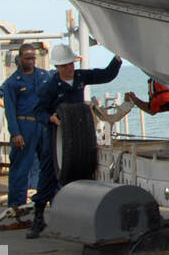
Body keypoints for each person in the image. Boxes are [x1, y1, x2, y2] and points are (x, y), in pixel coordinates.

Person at [28, 45, 123, 238]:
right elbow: (38, 111)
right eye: (64, 65)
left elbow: (105, 75)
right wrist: (51, 118)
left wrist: (118, 59)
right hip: (57, 134)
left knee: (84, 169)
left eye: (70, 64)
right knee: (48, 173)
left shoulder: (80, 77)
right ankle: (38, 217)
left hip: (79, 134)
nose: (68, 68)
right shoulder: (50, 86)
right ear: (57, 67)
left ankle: (83, 213)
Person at [0, 43, 52, 213]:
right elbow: (10, 110)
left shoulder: (43, 75)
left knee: (49, 164)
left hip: (43, 125)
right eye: (27, 58)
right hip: (24, 126)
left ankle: (51, 198)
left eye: (33, 58)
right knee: (21, 166)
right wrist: (16, 133)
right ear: (19, 59)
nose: (31, 61)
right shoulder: (13, 83)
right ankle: (16, 204)